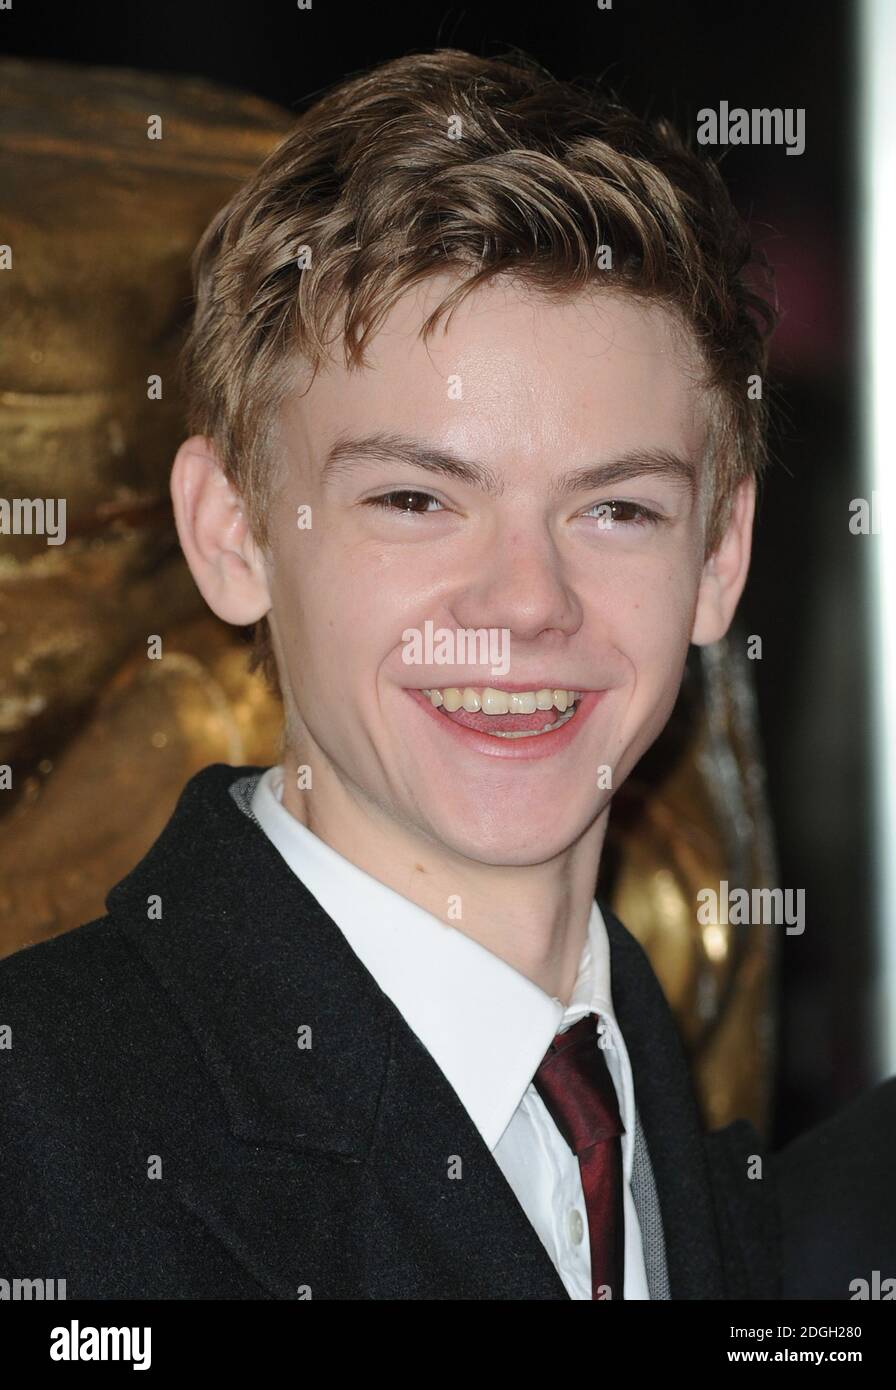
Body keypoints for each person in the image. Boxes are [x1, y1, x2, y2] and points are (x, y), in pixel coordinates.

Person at [0, 48, 783, 1300]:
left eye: (618, 509)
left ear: (719, 558)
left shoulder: (754, 1198)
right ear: (233, 533)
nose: (525, 602)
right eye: (416, 497)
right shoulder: (36, 1145)